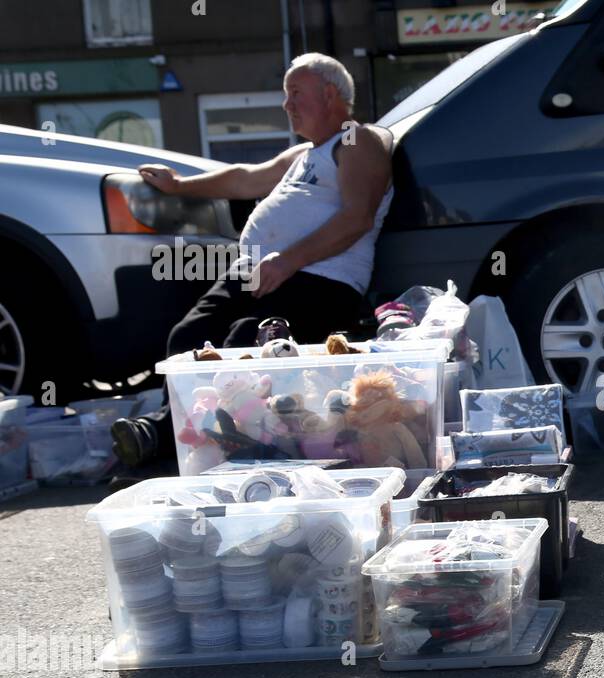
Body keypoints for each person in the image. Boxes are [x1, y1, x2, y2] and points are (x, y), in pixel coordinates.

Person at [111, 52, 394, 468]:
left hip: (320, 278)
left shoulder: (356, 139)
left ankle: (167, 436)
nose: (287, 105)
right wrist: (178, 186)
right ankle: (175, 435)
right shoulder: (303, 155)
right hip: (260, 270)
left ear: (330, 94)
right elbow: (245, 178)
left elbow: (357, 218)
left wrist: (286, 261)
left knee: (246, 341)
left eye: (295, 93)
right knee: (189, 338)